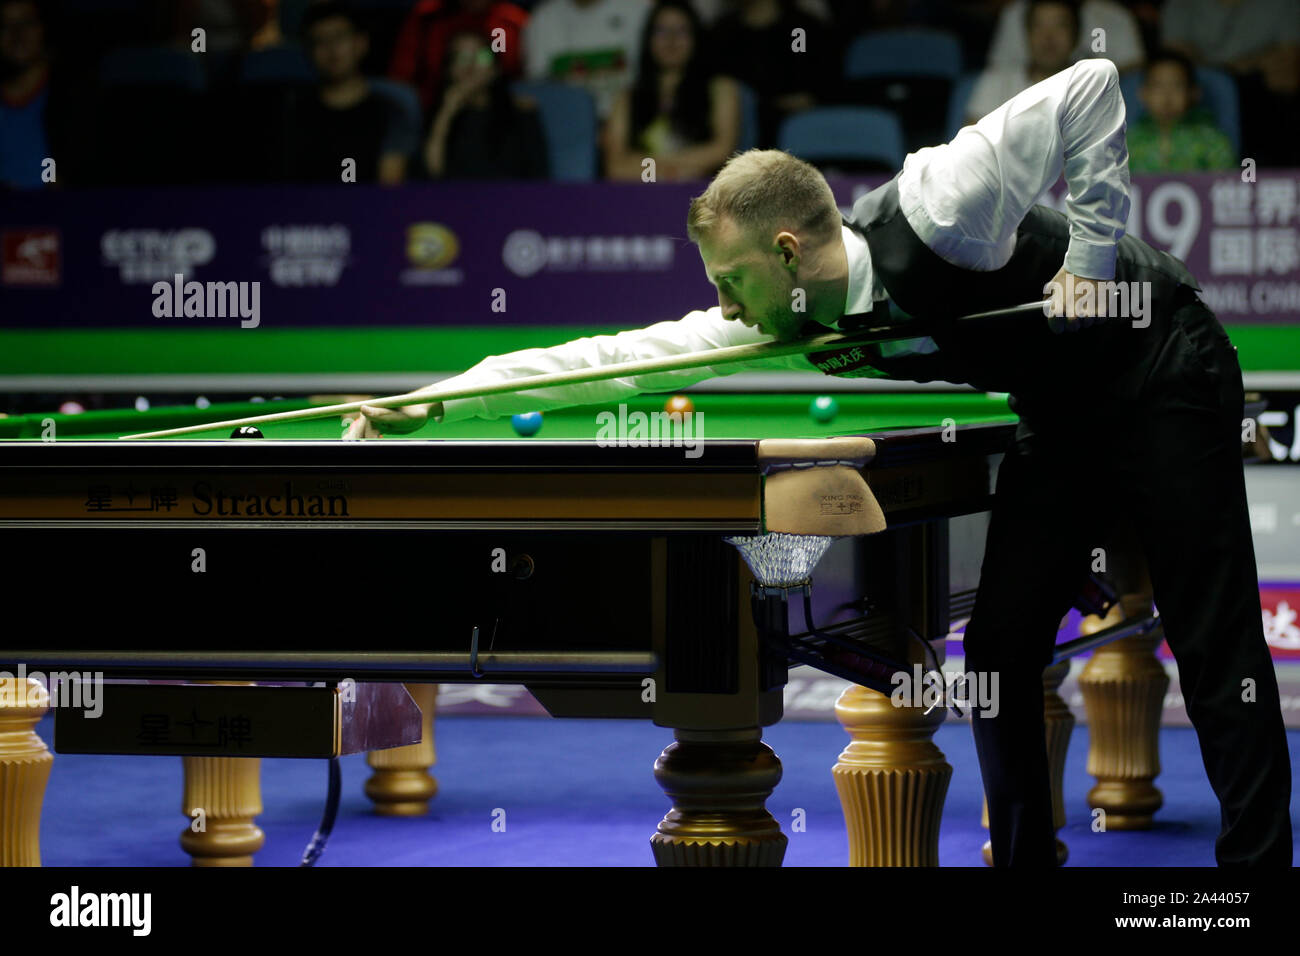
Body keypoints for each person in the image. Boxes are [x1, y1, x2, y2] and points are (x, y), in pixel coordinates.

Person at [347, 59, 1293, 867]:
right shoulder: (783, 317)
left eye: (730, 280)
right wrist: (441, 398)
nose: (719, 304)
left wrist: (1088, 258)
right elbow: (615, 360)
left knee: (1215, 645)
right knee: (1001, 653)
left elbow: (1090, 86)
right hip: (1062, 410)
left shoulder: (940, 203)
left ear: (789, 250)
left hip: (1162, 364)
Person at [603, 0, 739, 181]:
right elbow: (616, 167)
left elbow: (723, 150)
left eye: (681, 30)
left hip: (706, 195)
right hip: (643, 196)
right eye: (661, 31)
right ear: (648, 39)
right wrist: (665, 173)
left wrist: (655, 166)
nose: (671, 39)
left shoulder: (721, 88)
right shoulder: (627, 97)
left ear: (696, 37)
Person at [1160, 0, 1299, 166]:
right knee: (1173, 88)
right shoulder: (1180, 5)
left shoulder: (1284, 4)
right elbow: (1173, 62)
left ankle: (1264, 182)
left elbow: (1288, 71)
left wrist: (1224, 72)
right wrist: (1246, 67)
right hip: (1198, 94)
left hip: (1261, 100)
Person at [287, 2, 412, 184]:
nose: (331, 49)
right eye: (320, 41)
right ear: (308, 51)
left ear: (361, 43)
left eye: (339, 37)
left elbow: (390, 188)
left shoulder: (391, 113)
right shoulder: (292, 112)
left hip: (369, 208)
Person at [423, 30, 549, 179]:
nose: (471, 66)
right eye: (462, 58)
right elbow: (431, 175)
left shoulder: (521, 110)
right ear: (449, 69)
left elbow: (539, 175)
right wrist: (446, 113)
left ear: (496, 69)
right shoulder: (436, 114)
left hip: (510, 198)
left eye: (482, 57)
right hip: (454, 199)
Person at [710, 0, 836, 148]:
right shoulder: (723, 31)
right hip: (738, 125)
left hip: (797, 124)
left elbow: (816, 83)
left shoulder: (800, 28)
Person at [388, 0, 530, 112]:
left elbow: (516, 76)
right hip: (430, 104)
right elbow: (401, 77)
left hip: (498, 106)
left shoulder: (511, 21)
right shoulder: (427, 18)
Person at [523, 0, 651, 119]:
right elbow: (536, 91)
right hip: (565, 123)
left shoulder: (640, 11)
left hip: (631, 120)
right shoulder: (542, 19)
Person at [0, 0, 80, 189]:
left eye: (27, 23)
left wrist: (53, 182)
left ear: (44, 28)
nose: (17, 35)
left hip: (54, 209)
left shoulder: (72, 93)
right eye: (5, 26)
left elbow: (63, 164)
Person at [966, 0, 1080, 123]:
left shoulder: (1092, 88)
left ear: (1076, 35)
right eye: (1038, 26)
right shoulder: (995, 81)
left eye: (1060, 26)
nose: (1048, 37)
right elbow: (972, 137)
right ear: (1027, 33)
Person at [1127, 49, 1235, 173]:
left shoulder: (1212, 141)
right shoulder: (1128, 143)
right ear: (1143, 94)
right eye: (1158, 86)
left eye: (1177, 86)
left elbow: (1227, 184)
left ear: (1194, 93)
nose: (1166, 96)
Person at [985, 0, 1144, 73]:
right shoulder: (1015, 13)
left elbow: (1134, 72)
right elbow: (998, 67)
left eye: (1060, 25)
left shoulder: (1115, 16)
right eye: (1038, 26)